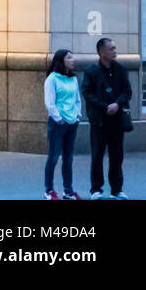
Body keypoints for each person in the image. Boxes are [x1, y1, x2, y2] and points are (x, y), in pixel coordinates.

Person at [81, 37, 132, 199]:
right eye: (111, 49)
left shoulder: (121, 69)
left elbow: (127, 92)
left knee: (117, 155)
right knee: (97, 155)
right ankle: (96, 189)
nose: (115, 51)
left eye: (115, 48)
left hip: (117, 120)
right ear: (102, 52)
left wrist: (117, 104)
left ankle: (117, 189)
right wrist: (105, 107)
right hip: (99, 120)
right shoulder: (91, 71)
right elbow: (87, 93)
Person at [42, 49, 82, 200]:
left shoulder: (73, 79)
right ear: (61, 60)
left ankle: (68, 191)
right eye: (69, 57)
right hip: (58, 123)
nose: (73, 60)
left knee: (68, 158)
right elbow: (49, 102)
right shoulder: (52, 79)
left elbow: (77, 99)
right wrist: (59, 119)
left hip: (72, 122)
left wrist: (78, 115)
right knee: (53, 157)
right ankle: (49, 190)